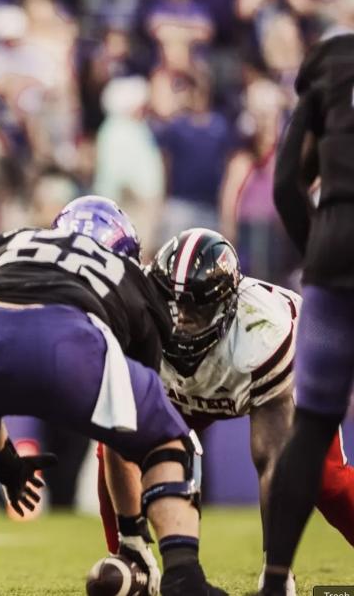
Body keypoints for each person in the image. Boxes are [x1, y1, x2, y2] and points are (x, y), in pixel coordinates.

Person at [0, 196, 226, 596]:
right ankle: (184, 577)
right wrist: (132, 537)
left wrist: (4, 456)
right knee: (168, 440)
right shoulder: (128, 275)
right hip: (65, 334)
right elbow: (126, 437)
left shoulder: (8, 241)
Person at [97, 228, 354, 596]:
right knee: (118, 439)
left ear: (226, 304)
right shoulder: (138, 309)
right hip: (184, 386)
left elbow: (274, 462)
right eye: (173, 302)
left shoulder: (264, 331)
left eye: (194, 307)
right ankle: (130, 554)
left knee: (323, 479)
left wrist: (277, 572)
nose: (181, 318)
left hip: (250, 379)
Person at [259, 34, 354, 596]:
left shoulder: (334, 66)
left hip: (337, 247)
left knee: (312, 428)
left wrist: (319, 252)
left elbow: (286, 185)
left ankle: (275, 584)